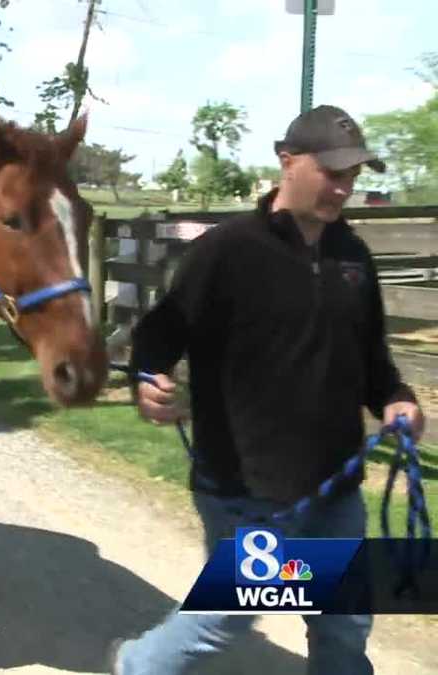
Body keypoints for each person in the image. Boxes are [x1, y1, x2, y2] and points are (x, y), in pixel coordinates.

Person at [109, 105, 426, 674]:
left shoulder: (352, 257)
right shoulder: (226, 251)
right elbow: (159, 336)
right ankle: (139, 665)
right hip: (246, 488)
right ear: (287, 161)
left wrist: (397, 398)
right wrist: (147, 380)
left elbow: (374, 361)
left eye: (352, 176)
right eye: (332, 172)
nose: (343, 188)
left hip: (335, 486)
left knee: (343, 624)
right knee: (225, 617)